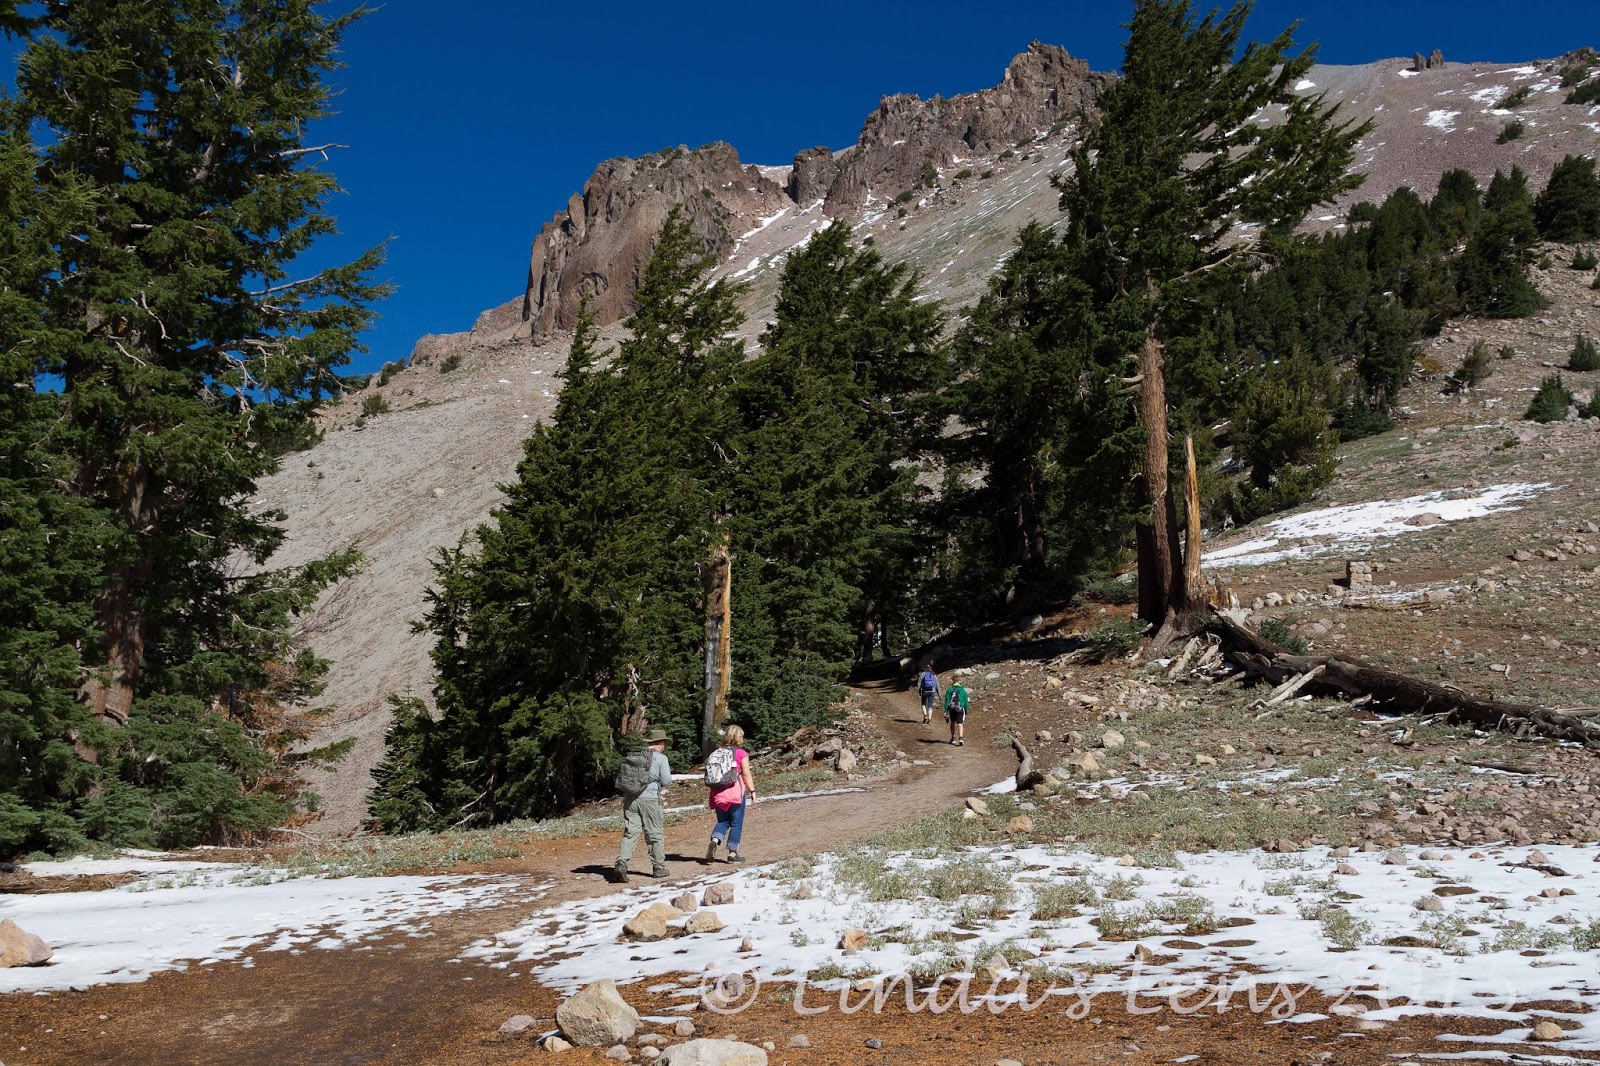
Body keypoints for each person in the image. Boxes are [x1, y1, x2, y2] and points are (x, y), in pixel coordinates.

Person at [615, 728, 672, 883]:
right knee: (654, 832)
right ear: (661, 743)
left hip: (630, 799)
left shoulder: (634, 755)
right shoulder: (661, 758)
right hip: (650, 799)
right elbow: (666, 780)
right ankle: (658, 867)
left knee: (631, 832)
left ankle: (621, 862)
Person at [706, 725, 756, 864]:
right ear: (738, 737)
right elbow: (746, 774)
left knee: (723, 821)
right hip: (735, 793)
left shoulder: (717, 752)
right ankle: (733, 854)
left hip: (718, 793)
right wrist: (752, 791)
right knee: (736, 823)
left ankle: (715, 841)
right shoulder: (741, 753)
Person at [944, 679, 970, 746]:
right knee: (960, 723)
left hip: (952, 709)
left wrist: (945, 711)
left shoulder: (949, 690)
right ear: (959, 681)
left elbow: (947, 701)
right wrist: (966, 711)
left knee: (952, 722)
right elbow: (966, 702)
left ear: (952, 681)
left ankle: (953, 738)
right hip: (960, 708)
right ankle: (961, 738)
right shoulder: (962, 690)